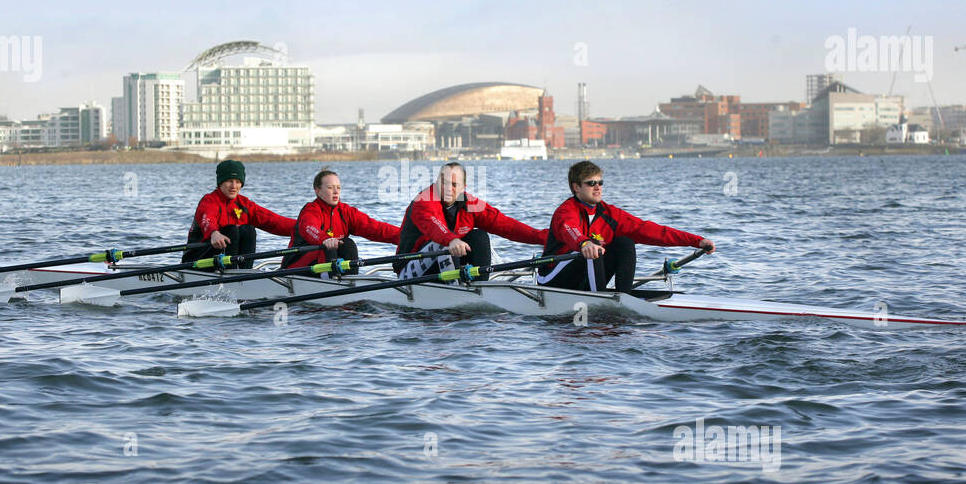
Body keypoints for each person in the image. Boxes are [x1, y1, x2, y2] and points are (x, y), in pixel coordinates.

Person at [539, 160, 715, 293]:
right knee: (593, 247)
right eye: (591, 183)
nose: (598, 187)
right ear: (576, 187)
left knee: (624, 243)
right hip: (553, 278)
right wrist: (584, 244)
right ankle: (601, 302)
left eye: (600, 183)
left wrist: (697, 241)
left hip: (586, 275)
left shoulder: (611, 214)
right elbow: (569, 230)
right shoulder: (566, 211)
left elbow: (653, 231)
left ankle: (623, 297)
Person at [395, 161, 547, 280]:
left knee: (479, 236)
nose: (448, 188)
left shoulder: (470, 205)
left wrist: (548, 238)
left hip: (444, 265)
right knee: (444, 244)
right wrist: (451, 240)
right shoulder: (424, 201)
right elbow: (433, 225)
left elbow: (508, 226)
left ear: (463, 187)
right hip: (409, 269)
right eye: (444, 183)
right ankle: (458, 293)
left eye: (454, 185)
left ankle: (480, 286)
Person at [281, 170, 401, 274]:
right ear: (317, 190)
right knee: (332, 246)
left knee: (348, 244)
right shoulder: (311, 210)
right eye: (330, 187)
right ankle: (336, 283)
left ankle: (350, 282)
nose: (336, 192)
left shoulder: (346, 212)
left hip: (329, 264)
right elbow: (309, 228)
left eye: (338, 187)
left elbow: (376, 228)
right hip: (298, 266)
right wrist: (325, 239)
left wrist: (405, 237)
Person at [184, 159, 295, 267]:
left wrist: (303, 228)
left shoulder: (244, 204)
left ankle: (244, 273)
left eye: (237, 182)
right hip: (197, 259)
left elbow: (274, 221)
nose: (234, 186)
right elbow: (207, 220)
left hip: (224, 259)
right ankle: (232, 275)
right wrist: (214, 233)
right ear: (220, 182)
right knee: (231, 230)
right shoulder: (209, 201)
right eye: (229, 181)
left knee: (249, 229)